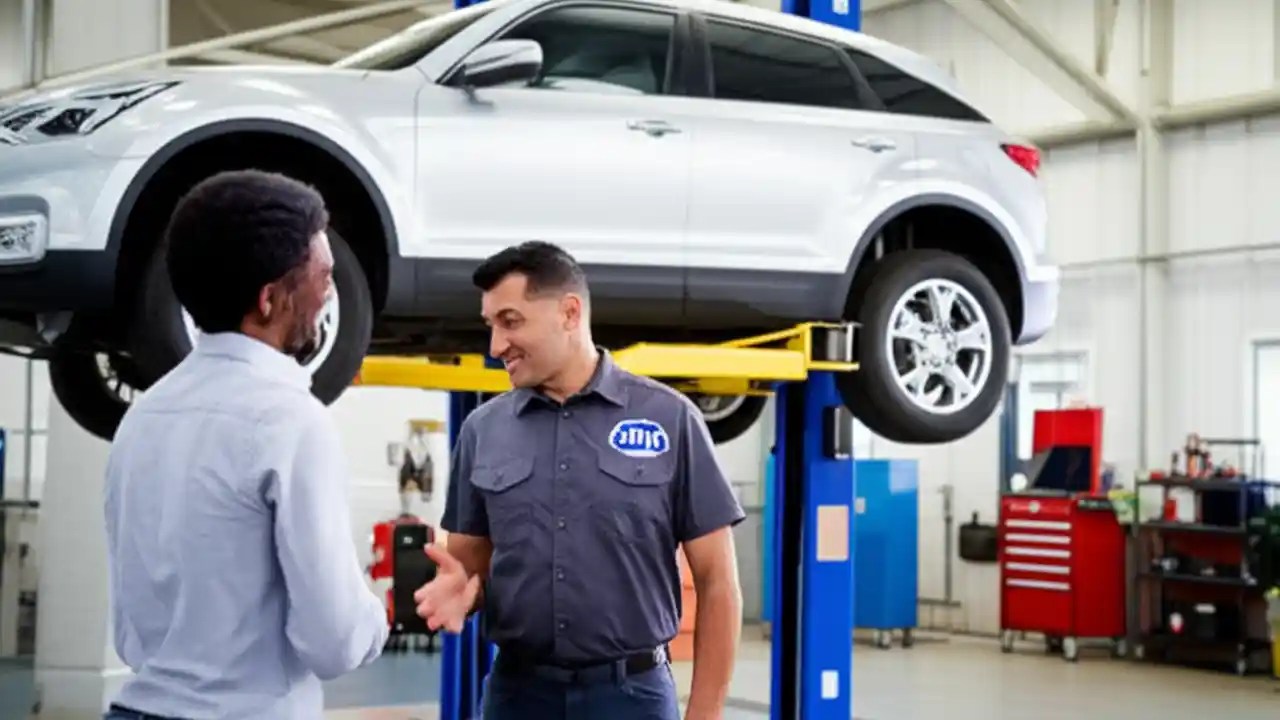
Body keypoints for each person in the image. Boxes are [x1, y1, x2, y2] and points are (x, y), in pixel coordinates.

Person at [414, 241, 745, 720]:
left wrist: (705, 714)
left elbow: (718, 583)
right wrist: (461, 590)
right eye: (491, 326)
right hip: (518, 696)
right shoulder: (483, 431)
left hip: (632, 697)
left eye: (510, 321)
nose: (495, 346)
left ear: (569, 313)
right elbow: (468, 568)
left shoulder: (671, 421)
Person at [102, 170, 388, 719]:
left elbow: (131, 638)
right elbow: (332, 640)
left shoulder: (143, 417)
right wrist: (378, 617)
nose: (332, 292)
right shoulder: (290, 422)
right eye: (324, 276)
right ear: (269, 300)